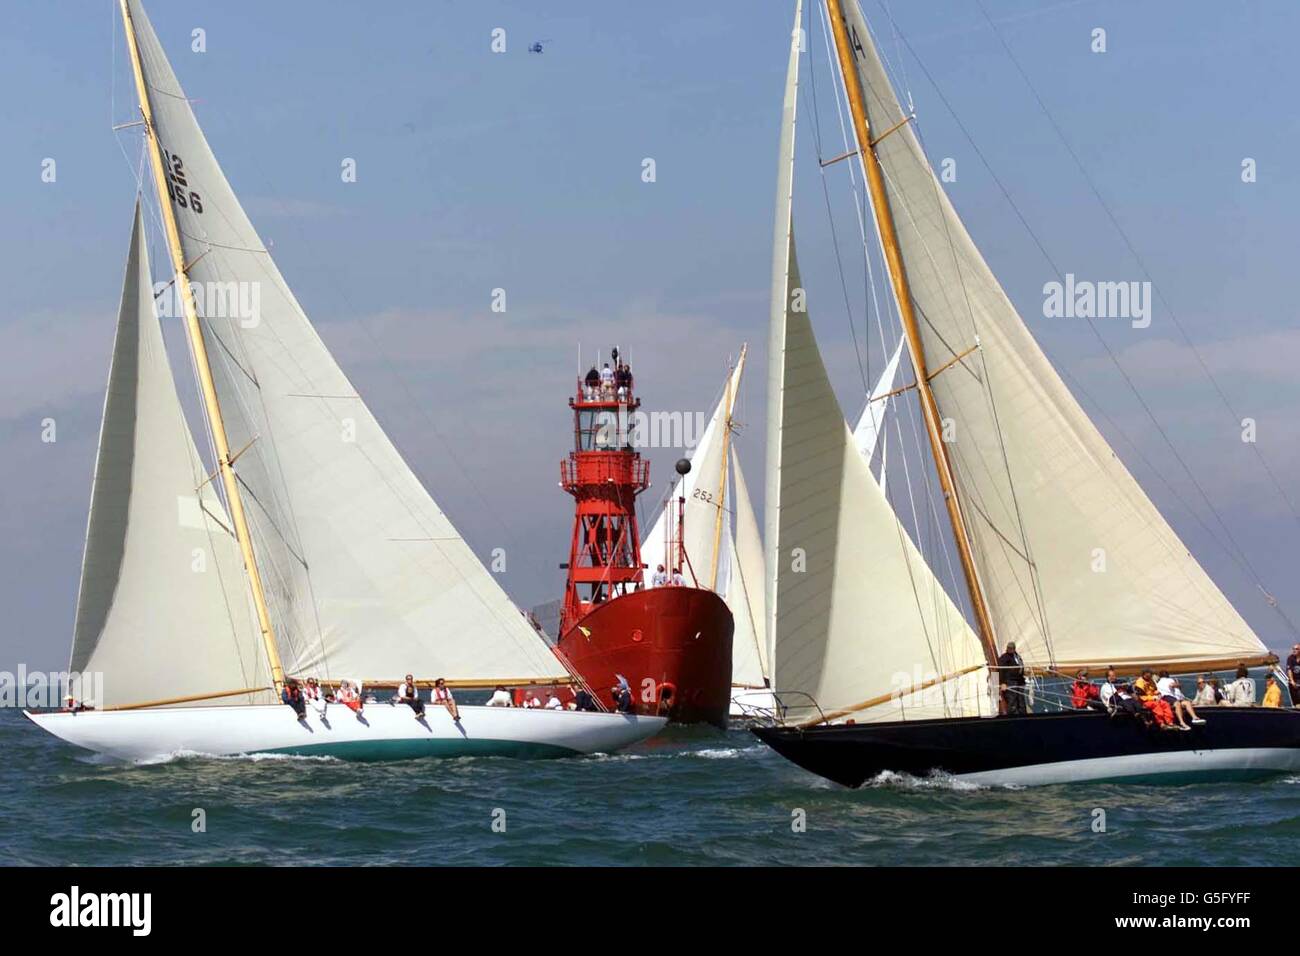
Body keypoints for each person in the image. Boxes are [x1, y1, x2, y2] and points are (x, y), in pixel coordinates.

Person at [997, 642, 1026, 716]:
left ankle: (1023, 717)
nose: (1010, 649)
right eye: (1009, 648)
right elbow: (1001, 671)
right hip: (1010, 682)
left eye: (1011, 648)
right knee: (1012, 702)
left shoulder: (1017, 656)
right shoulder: (1004, 658)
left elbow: (1021, 666)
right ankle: (1013, 718)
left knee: (1021, 702)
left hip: (1019, 682)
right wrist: (1002, 683)